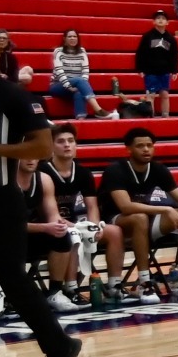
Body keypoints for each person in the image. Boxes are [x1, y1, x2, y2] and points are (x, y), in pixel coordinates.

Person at [0, 74, 83, 357]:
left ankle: (59, 345)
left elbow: (43, 147)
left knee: (13, 278)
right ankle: (60, 344)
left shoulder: (11, 95)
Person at [103, 128, 178, 298]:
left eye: (149, 145)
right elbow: (126, 207)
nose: (146, 149)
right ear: (129, 149)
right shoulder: (115, 170)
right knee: (139, 218)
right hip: (115, 223)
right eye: (140, 146)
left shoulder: (158, 169)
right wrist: (166, 209)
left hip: (144, 223)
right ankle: (144, 282)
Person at [43, 124, 129, 307]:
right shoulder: (43, 171)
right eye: (61, 141)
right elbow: (45, 209)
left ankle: (114, 285)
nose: (67, 145)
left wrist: (94, 226)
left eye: (71, 141)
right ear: (51, 146)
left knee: (113, 232)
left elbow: (92, 205)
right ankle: (70, 289)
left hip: (72, 221)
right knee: (73, 234)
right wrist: (71, 225)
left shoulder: (82, 172)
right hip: (47, 223)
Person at [18, 158, 84, 314]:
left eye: (34, 155)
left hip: (30, 233)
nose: (31, 159)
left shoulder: (43, 179)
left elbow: (53, 216)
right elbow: (5, 225)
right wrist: (44, 227)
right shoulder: (4, 182)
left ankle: (55, 293)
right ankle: (8, 296)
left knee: (61, 235)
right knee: (10, 239)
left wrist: (63, 227)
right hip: (3, 236)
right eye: (26, 155)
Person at [47, 30, 115, 119]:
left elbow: (85, 70)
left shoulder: (82, 51)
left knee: (79, 93)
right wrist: (68, 86)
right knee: (80, 80)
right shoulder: (59, 51)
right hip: (58, 86)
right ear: (64, 39)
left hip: (76, 86)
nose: (72, 38)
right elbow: (59, 71)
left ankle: (80, 120)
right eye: (70, 36)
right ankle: (98, 110)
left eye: (75, 36)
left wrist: (78, 87)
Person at [134, 11, 178, 118]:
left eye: (163, 18)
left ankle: (165, 116)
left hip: (164, 71)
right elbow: (140, 53)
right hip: (150, 71)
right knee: (151, 95)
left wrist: (174, 70)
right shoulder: (147, 36)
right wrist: (140, 69)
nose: (160, 20)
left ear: (167, 22)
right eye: (158, 18)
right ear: (153, 22)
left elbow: (175, 55)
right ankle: (151, 116)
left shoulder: (171, 39)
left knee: (164, 94)